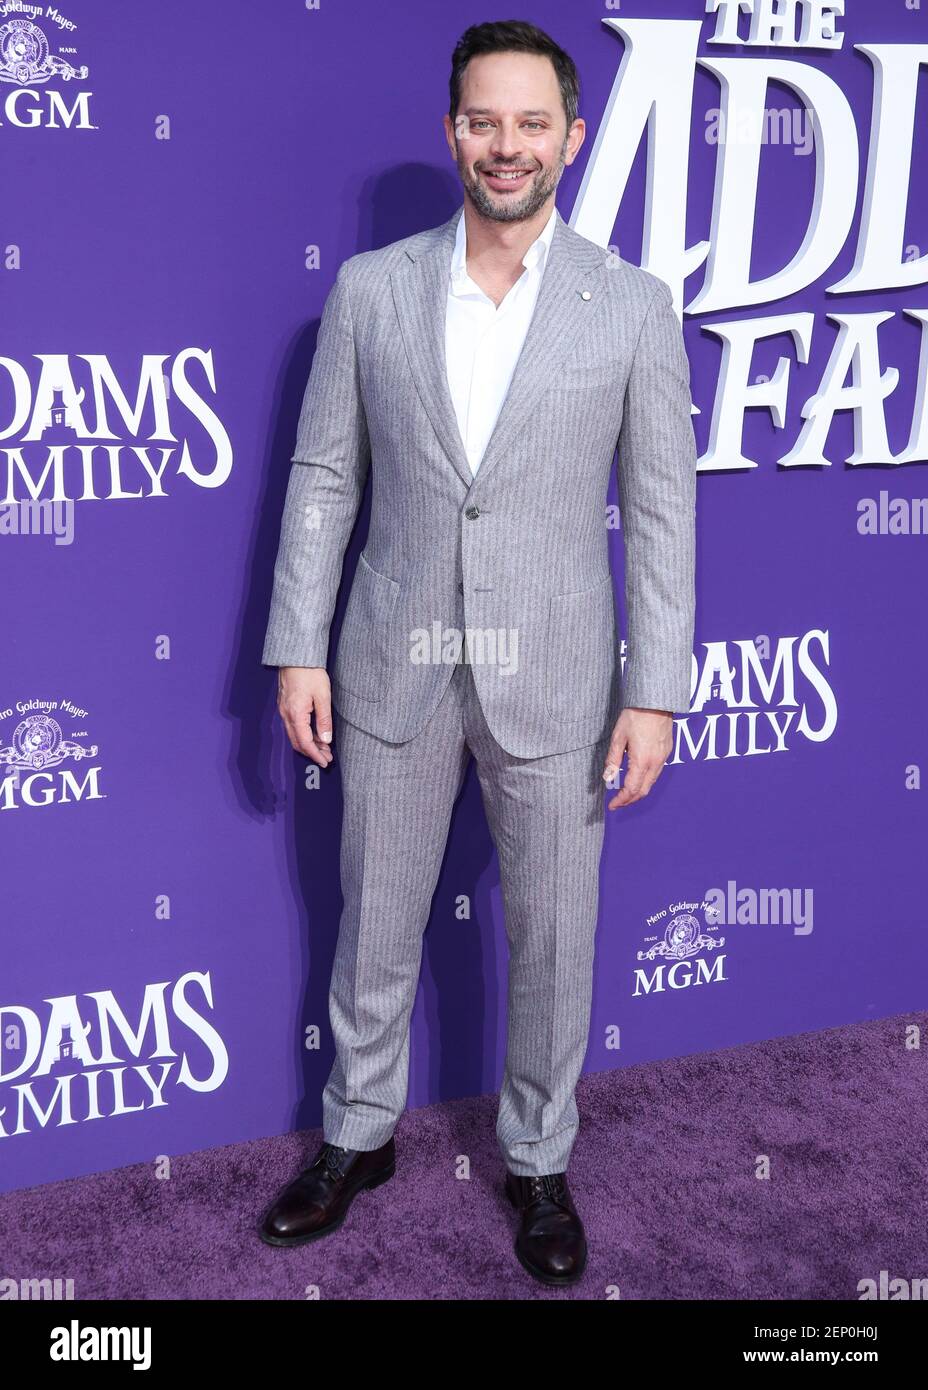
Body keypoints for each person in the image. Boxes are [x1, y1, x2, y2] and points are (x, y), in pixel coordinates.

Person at [258, 18, 697, 1288]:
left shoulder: (630, 307)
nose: (507, 146)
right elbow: (326, 475)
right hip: (392, 656)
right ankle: (356, 1136)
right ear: (453, 131)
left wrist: (654, 690)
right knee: (373, 924)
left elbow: (664, 512)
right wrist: (299, 646)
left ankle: (540, 1161)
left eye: (531, 122)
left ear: (570, 135)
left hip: (557, 672)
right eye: (483, 121)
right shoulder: (372, 291)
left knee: (556, 940)